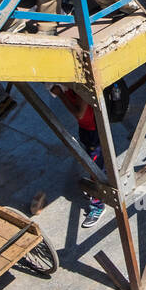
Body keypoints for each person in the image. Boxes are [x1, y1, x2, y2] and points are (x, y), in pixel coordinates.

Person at [49, 84, 106, 228]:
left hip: (93, 129)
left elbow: (79, 113)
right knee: (92, 160)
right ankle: (97, 190)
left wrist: (61, 94)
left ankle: (98, 204)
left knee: (95, 166)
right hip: (85, 128)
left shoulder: (82, 87)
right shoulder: (67, 86)